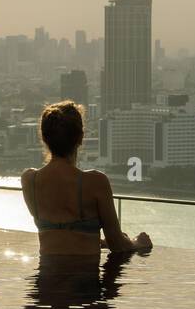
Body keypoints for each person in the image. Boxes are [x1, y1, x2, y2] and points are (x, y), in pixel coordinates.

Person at [19, 100, 151, 256]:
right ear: (80, 138)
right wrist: (139, 242)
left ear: (44, 139)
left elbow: (60, 235)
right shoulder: (95, 182)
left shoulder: (29, 180)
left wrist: (99, 242)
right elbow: (118, 245)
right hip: (85, 278)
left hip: (45, 278)